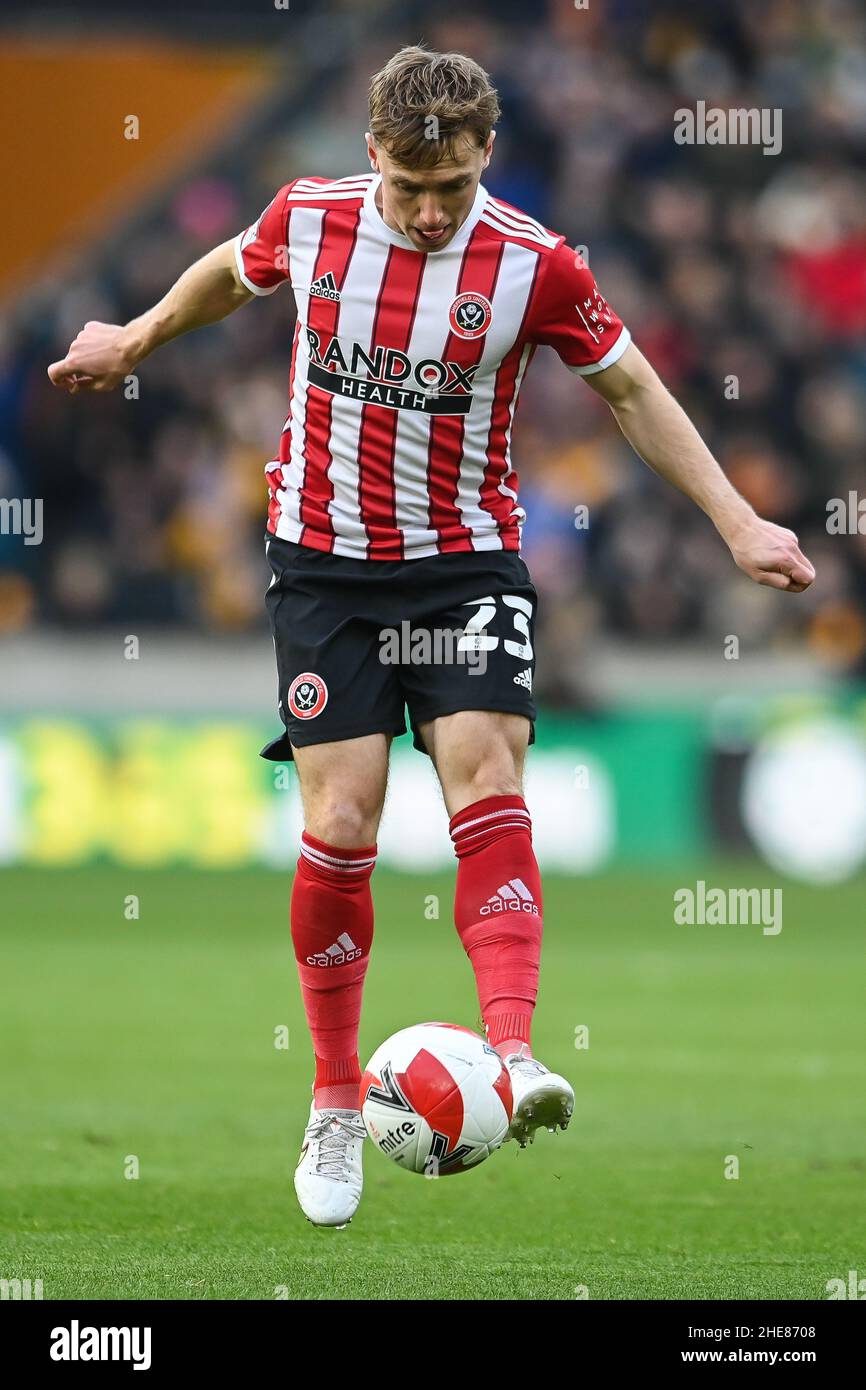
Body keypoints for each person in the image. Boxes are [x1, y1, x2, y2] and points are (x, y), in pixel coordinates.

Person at [48, 45, 815, 1229]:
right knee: (340, 821)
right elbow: (230, 271)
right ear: (369, 154)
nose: (424, 211)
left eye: (448, 188)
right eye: (407, 187)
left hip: (461, 560)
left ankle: (508, 1053)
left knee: (485, 769)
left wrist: (733, 520)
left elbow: (629, 391)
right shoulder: (308, 220)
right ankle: (333, 1102)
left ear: (484, 158)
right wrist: (140, 335)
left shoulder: (533, 264)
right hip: (324, 567)